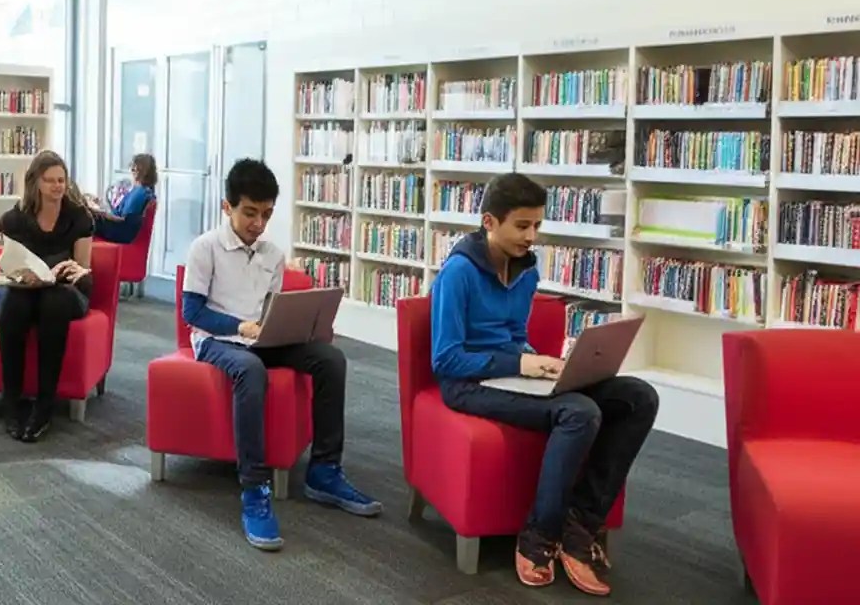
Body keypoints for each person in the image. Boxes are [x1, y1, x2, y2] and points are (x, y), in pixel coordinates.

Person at [429, 172, 659, 596]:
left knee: (638, 397)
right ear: (489, 222)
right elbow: (445, 359)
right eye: (522, 226)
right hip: (468, 383)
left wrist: (552, 364)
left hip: (512, 375)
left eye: (537, 225)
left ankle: (580, 525)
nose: (531, 236)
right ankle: (540, 534)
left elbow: (515, 335)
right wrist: (520, 361)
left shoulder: (525, 271)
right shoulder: (457, 273)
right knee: (579, 411)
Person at [182, 158, 381, 552]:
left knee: (329, 359)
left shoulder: (273, 254)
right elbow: (192, 312)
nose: (258, 223)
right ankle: (254, 488)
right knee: (250, 371)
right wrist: (239, 327)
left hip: (261, 337)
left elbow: (270, 307)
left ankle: (324, 470)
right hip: (217, 341)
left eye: (266, 214)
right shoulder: (205, 248)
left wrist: (300, 327)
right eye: (249, 213)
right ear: (228, 207)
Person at [0, 150, 94, 442]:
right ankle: (12, 401)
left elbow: (84, 269)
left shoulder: (78, 217)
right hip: (25, 288)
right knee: (11, 302)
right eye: (50, 180)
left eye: (61, 180)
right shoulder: (14, 219)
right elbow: (9, 265)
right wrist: (25, 275)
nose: (57, 186)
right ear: (35, 182)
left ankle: (44, 404)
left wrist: (74, 270)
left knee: (54, 302)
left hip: (66, 290)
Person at [92, 153, 157, 244]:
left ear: (145, 171)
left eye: (136, 167)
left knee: (84, 218)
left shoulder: (142, 193)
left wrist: (103, 214)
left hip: (121, 232)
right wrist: (101, 207)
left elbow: (124, 220)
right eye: (132, 166)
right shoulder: (137, 189)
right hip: (119, 227)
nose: (132, 169)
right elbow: (118, 213)